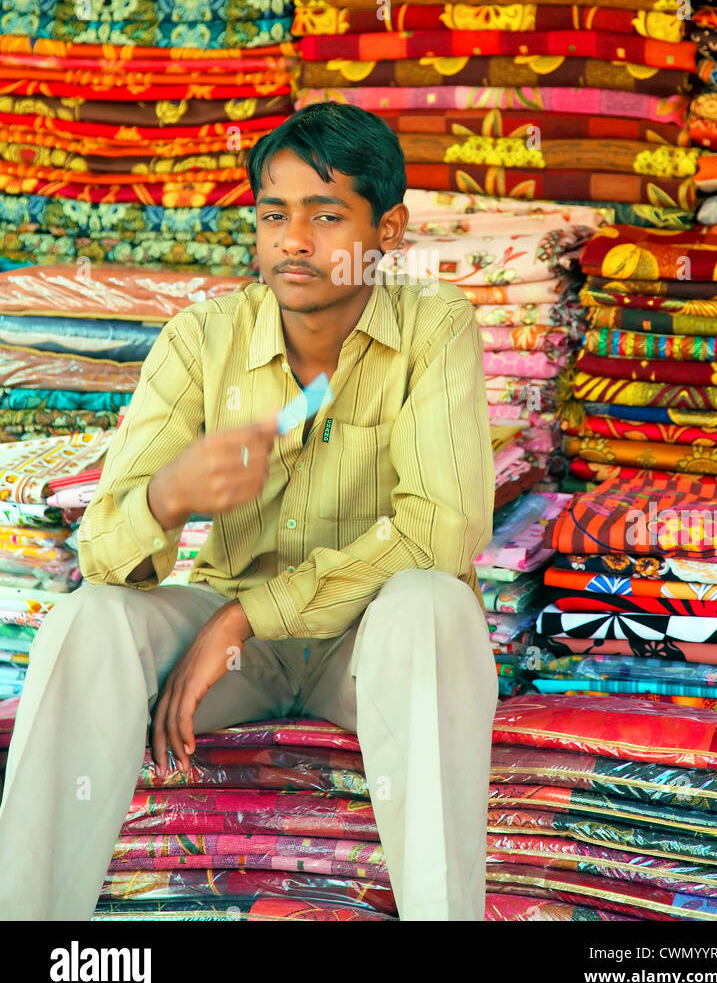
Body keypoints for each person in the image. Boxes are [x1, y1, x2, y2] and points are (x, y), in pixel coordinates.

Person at [0, 102, 498, 922]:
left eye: (326, 215)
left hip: (363, 646)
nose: (293, 240)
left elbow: (440, 529)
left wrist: (242, 619)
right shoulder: (202, 337)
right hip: (234, 656)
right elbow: (101, 552)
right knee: (86, 621)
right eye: (274, 215)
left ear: (392, 230)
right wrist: (168, 498)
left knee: (434, 602)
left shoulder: (434, 328)